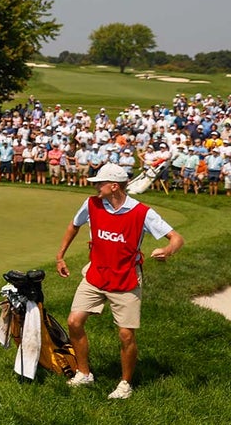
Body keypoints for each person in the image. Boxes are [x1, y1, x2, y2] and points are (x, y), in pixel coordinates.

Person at [55, 163, 184, 400]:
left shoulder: (142, 212)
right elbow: (74, 226)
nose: (95, 187)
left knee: (126, 335)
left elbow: (176, 238)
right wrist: (60, 256)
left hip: (126, 279)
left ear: (114, 186)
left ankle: (125, 384)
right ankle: (84, 373)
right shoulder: (92, 204)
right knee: (74, 322)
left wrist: (167, 250)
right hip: (96, 274)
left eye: (100, 183)